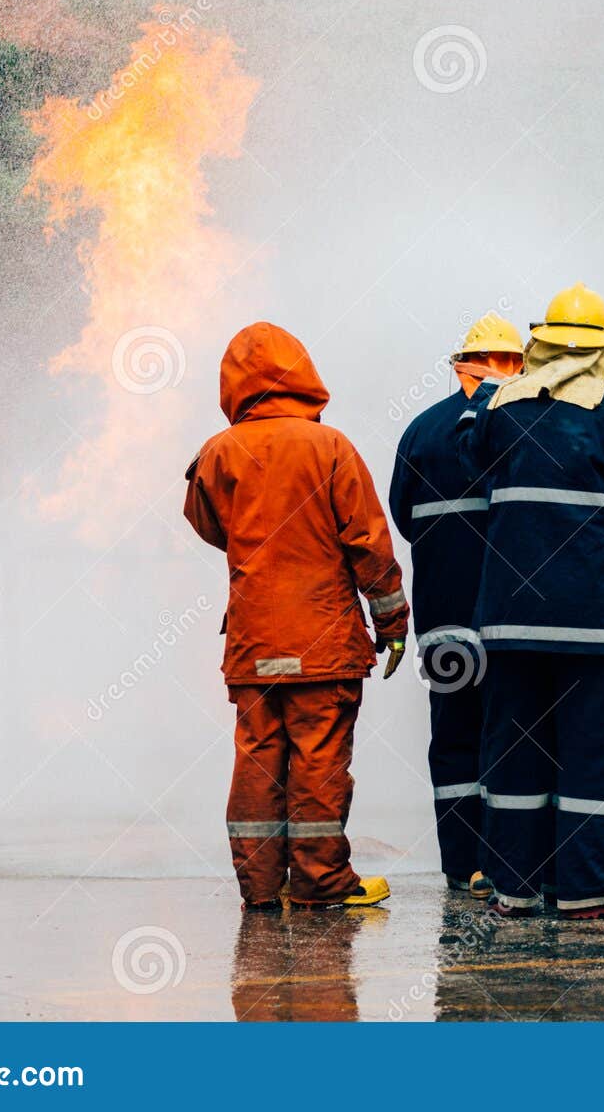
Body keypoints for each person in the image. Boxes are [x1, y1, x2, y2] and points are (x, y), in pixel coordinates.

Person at [457, 283, 604, 919]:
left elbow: (471, 462)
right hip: (599, 629)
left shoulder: (501, 413)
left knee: (514, 757)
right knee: (593, 759)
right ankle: (587, 891)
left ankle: (515, 889)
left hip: (511, 628)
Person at [184, 321, 408, 911]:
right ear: (303, 375)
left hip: (254, 642)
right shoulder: (330, 447)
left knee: (258, 761)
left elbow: (209, 525)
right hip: (323, 640)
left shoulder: (217, 453)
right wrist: (391, 623)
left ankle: (259, 888)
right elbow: (369, 544)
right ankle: (321, 883)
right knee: (320, 760)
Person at [390, 312, 525, 900]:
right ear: (518, 366)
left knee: (453, 737)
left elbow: (403, 516)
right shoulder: (526, 426)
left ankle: (461, 863)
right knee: (511, 732)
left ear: (459, 367)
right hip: (511, 615)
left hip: (443, 617)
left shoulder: (421, 433)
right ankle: (504, 861)